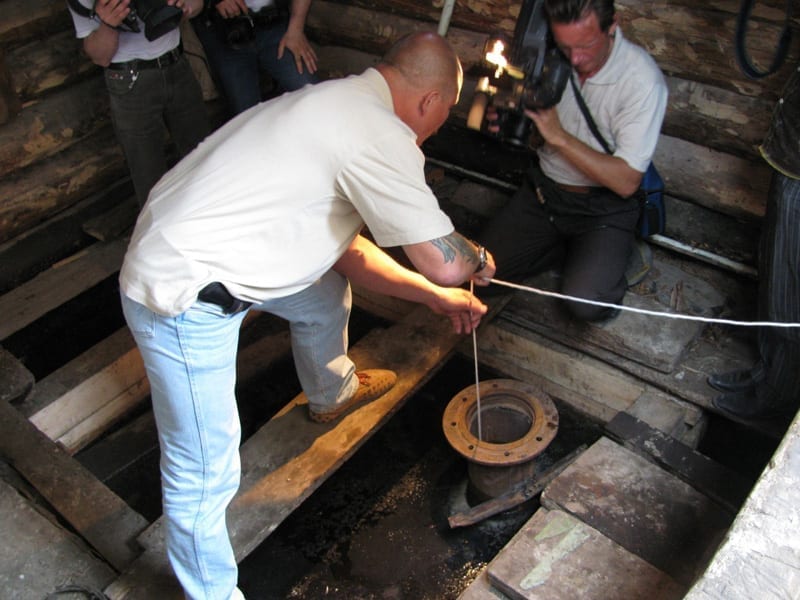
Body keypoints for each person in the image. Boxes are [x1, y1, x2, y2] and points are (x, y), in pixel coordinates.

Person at [119, 31, 495, 599]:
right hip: (182, 292)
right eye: (443, 115)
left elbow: (350, 253)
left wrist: (434, 299)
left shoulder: (334, 102)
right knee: (205, 471)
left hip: (210, 247)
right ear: (431, 102)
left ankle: (332, 392)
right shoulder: (377, 133)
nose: (435, 127)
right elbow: (445, 262)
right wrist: (477, 262)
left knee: (322, 295)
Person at [476, 0, 667, 322]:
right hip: (543, 196)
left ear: (612, 26)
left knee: (586, 304)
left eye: (586, 45)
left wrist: (559, 136)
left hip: (604, 208)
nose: (576, 59)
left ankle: (608, 256)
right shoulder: (546, 56)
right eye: (566, 46)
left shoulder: (642, 81)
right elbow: (535, 136)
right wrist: (506, 118)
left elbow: (626, 181)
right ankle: (561, 250)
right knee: (477, 276)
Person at [709, 64, 800, 426]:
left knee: (789, 295)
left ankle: (776, 397)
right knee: (777, 278)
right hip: (793, 162)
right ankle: (768, 374)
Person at [67, 0, 211, 207]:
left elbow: (197, 6)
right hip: (130, 81)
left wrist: (186, 6)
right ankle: (159, 235)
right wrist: (109, 24)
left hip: (177, 64)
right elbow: (100, 57)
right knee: (149, 175)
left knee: (202, 154)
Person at [191, 0, 318, 117]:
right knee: (244, 114)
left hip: (275, 22)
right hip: (223, 29)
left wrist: (296, 29)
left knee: (311, 94)